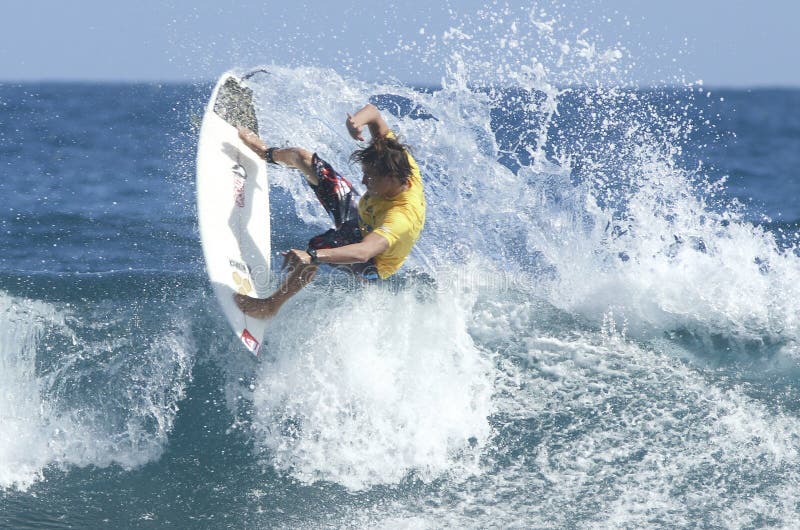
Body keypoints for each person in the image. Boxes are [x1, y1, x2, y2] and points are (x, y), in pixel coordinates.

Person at [234, 103, 426, 319]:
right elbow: (373, 113)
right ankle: (265, 153)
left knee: (318, 248)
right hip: (361, 219)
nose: (363, 181)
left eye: (370, 177)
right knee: (301, 157)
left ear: (391, 178)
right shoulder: (392, 157)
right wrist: (356, 122)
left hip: (372, 263)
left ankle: (270, 306)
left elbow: (363, 252)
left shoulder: (401, 217)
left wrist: (311, 256)